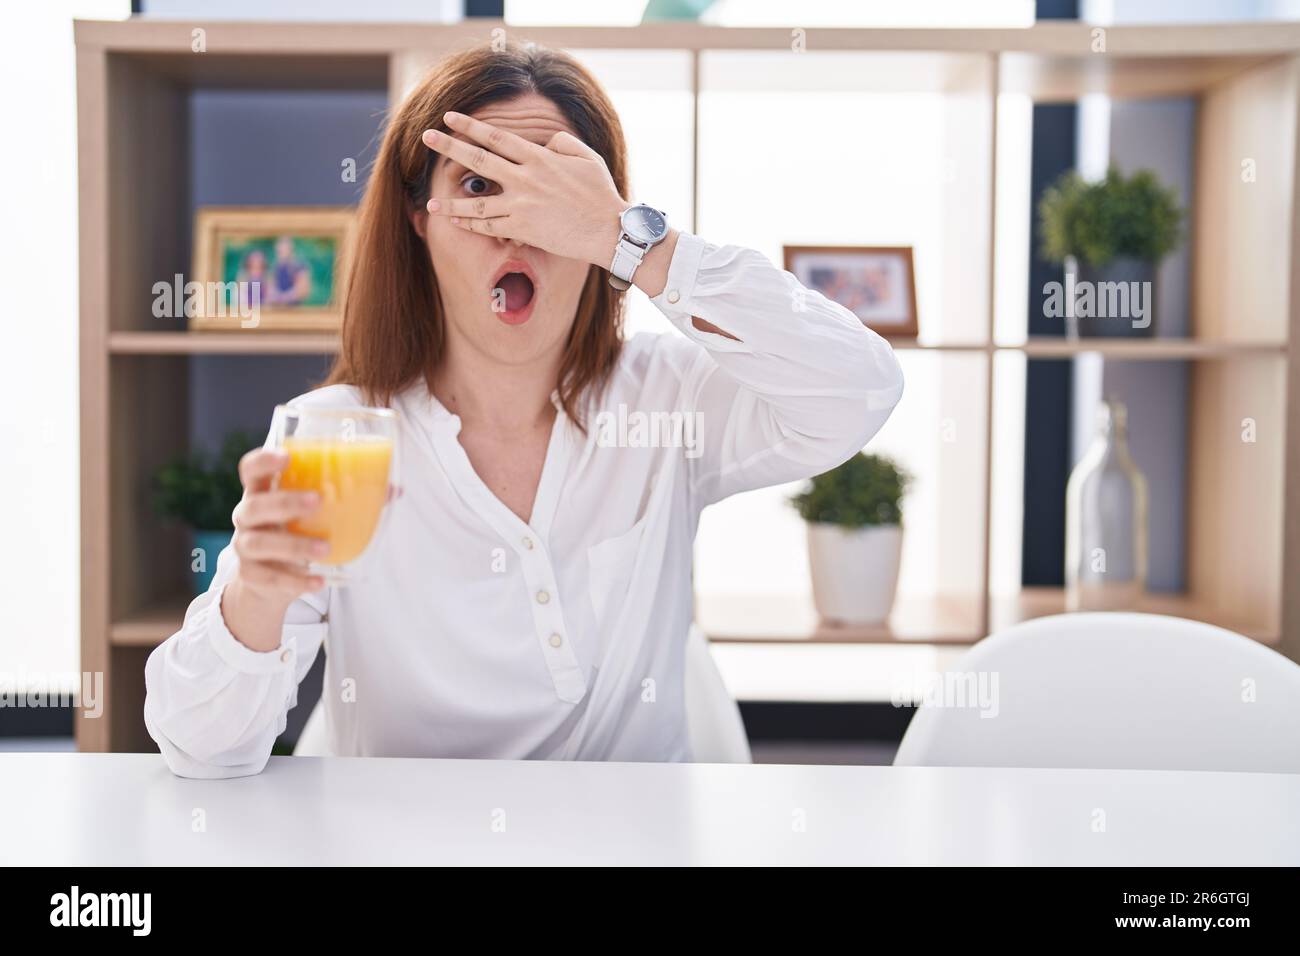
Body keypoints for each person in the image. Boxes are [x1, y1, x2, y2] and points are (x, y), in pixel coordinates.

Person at [144, 41, 904, 777]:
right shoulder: (340, 433)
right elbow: (200, 751)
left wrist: (630, 241)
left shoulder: (670, 398)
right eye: (479, 184)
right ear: (418, 218)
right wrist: (257, 600)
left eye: (552, 191)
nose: (518, 223)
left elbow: (859, 389)